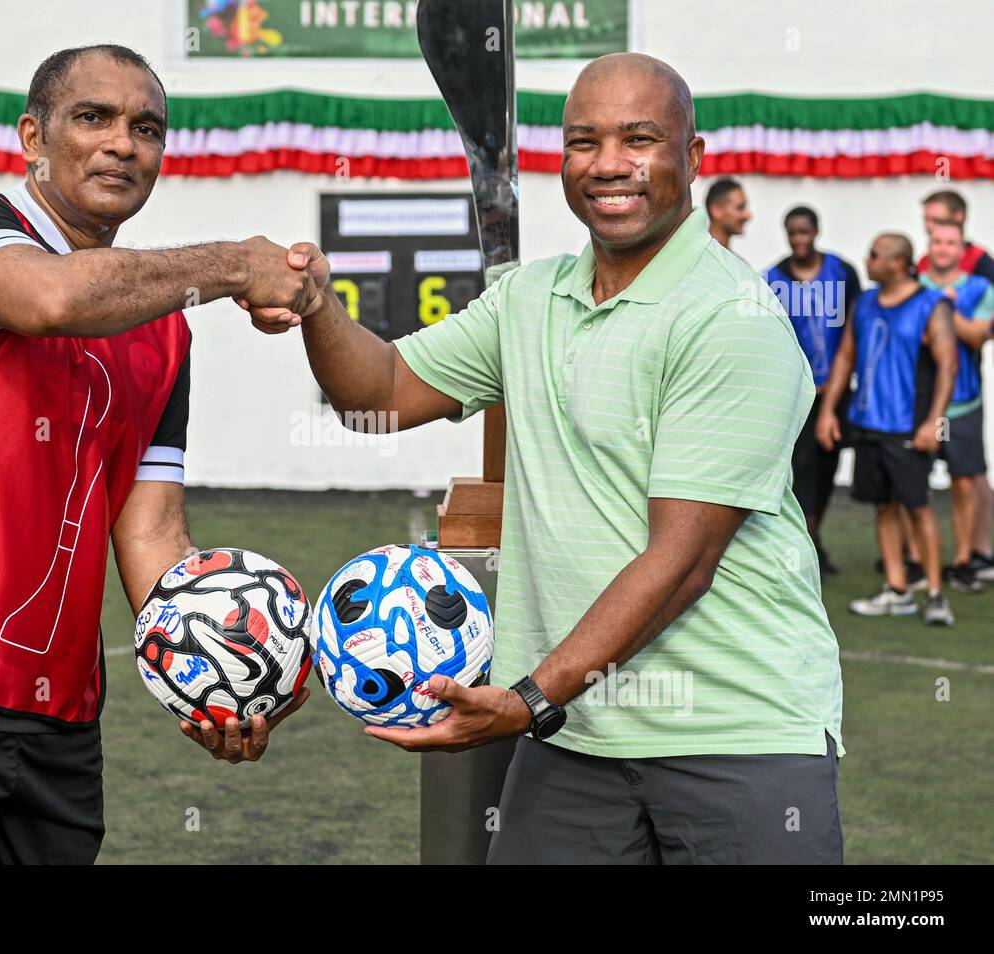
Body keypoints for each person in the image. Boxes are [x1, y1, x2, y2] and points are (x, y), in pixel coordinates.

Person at [251, 53, 845, 864]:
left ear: (694, 156)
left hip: (735, 735)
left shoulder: (729, 319)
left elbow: (681, 560)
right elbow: (379, 393)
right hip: (576, 738)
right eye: (582, 141)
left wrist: (529, 700)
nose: (608, 165)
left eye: (639, 139)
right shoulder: (530, 299)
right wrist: (317, 305)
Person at [0, 44, 318, 865]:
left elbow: (151, 531)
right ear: (32, 137)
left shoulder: (163, 329)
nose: (123, 143)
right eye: (94, 118)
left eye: (146, 128)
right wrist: (237, 266)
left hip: (60, 721)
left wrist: (217, 673)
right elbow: (51, 299)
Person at [817, 234, 957, 625]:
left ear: (897, 262)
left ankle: (934, 592)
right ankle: (897, 589)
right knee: (882, 505)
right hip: (868, 423)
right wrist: (829, 412)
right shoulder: (864, 303)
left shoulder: (931, 305)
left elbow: (949, 367)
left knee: (918, 507)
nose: (867, 259)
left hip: (909, 427)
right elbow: (845, 357)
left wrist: (934, 422)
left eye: (874, 254)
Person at [764, 205, 861, 574]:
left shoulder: (842, 271)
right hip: (794, 396)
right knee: (797, 471)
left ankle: (814, 538)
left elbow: (854, 330)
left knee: (827, 470)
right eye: (793, 233)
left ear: (816, 231)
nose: (799, 240)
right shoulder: (773, 278)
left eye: (804, 232)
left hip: (835, 392)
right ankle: (797, 547)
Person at [919, 221, 994, 590]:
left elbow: (978, 336)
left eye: (951, 242)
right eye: (937, 241)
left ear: (962, 249)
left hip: (962, 403)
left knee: (964, 483)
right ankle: (917, 561)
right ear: (929, 244)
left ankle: (963, 560)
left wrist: (943, 307)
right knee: (915, 487)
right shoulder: (914, 285)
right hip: (922, 404)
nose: (943, 248)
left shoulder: (980, 287)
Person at [917, 189, 994, 283]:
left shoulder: (980, 261)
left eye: (936, 220)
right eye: (926, 219)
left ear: (959, 217)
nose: (928, 226)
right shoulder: (923, 262)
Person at [704, 177, 750, 253]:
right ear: (716, 210)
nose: (747, 215)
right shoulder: (700, 257)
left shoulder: (735, 262)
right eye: (740, 207)